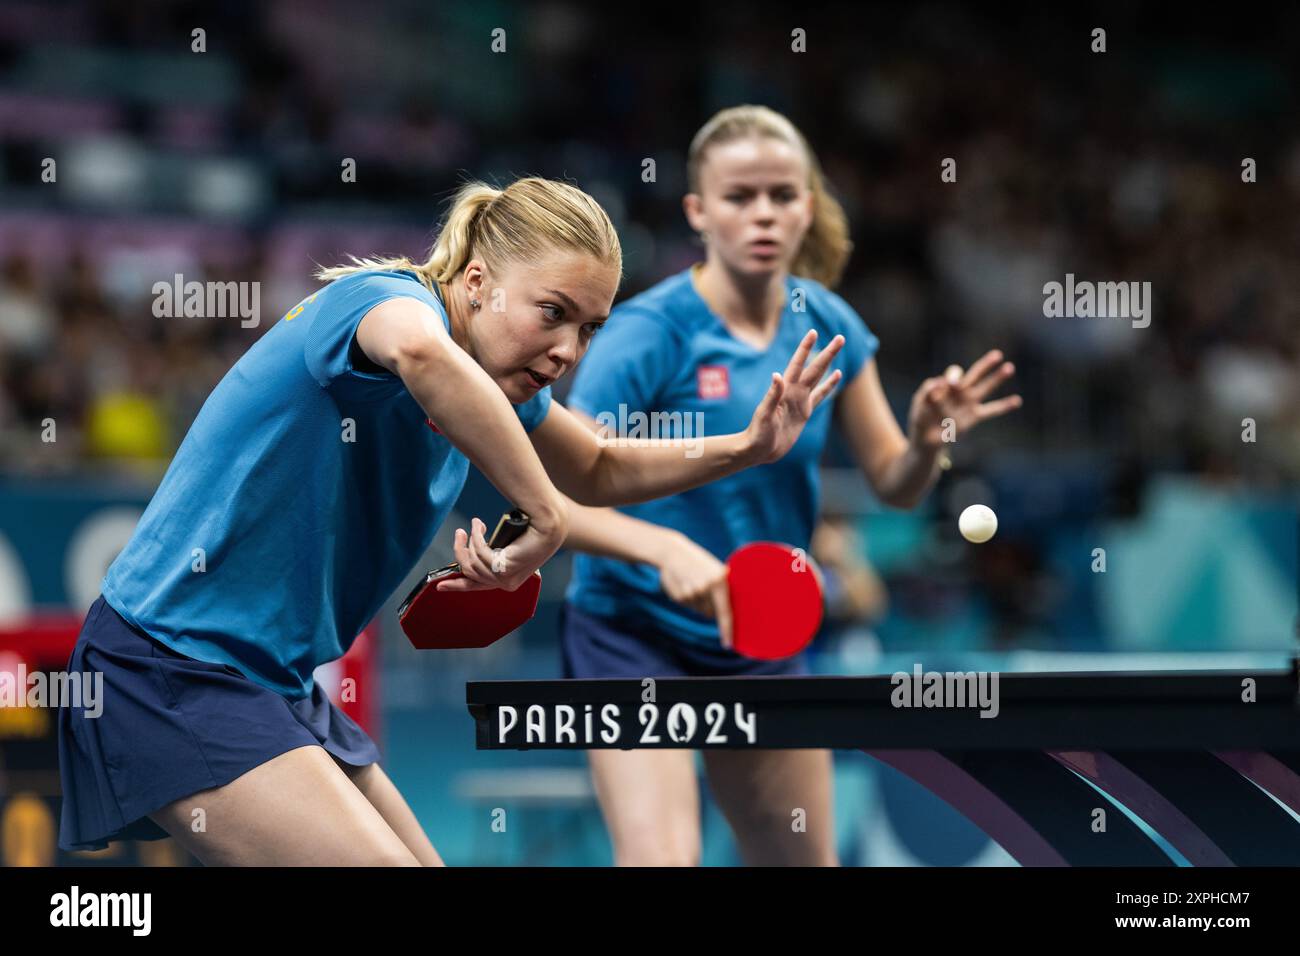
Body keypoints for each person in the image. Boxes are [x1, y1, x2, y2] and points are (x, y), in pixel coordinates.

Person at [57, 176, 845, 866]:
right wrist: (542, 514)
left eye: (590, 328)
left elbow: (599, 466)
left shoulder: (506, 391)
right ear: (475, 282)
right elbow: (426, 362)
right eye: (553, 312)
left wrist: (747, 445)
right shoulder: (382, 306)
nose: (570, 348)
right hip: (168, 667)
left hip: (274, 683)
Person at [560, 106, 1022, 866]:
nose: (764, 213)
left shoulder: (829, 322)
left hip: (762, 634)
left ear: (809, 205)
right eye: (740, 197)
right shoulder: (648, 333)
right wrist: (664, 549)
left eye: (782, 193)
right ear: (698, 212)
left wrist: (926, 439)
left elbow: (897, 485)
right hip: (632, 632)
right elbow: (562, 495)